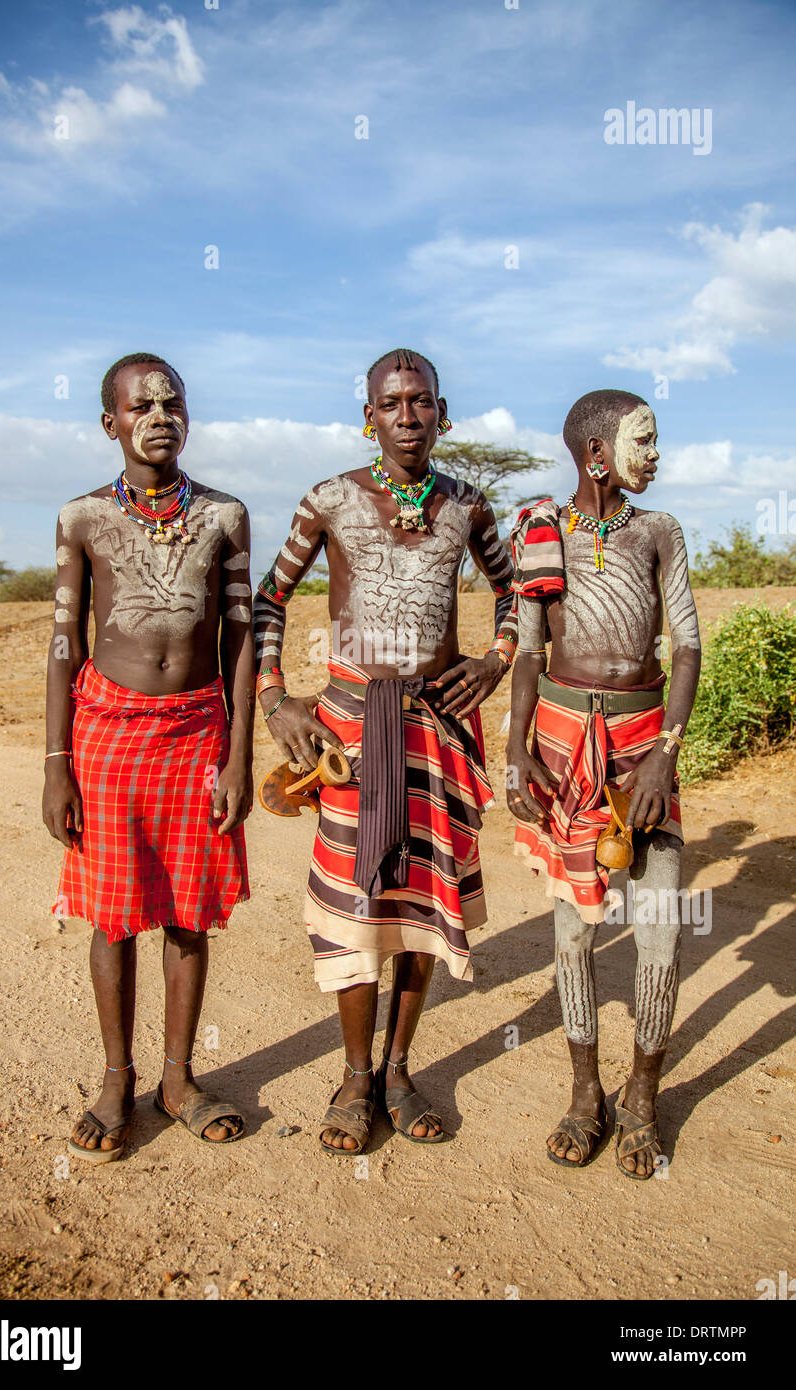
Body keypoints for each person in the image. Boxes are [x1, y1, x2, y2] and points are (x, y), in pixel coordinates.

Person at [253, 348, 517, 1156]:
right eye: (392, 404)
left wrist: (494, 659)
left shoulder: (468, 505)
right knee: (357, 906)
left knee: (422, 909)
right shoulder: (330, 499)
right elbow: (268, 598)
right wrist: (273, 697)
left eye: (422, 402)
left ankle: (401, 1071)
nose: (408, 417)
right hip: (351, 726)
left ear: (443, 412)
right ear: (368, 415)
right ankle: (355, 1076)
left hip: (438, 727)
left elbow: (515, 594)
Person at [43, 353, 254, 1163]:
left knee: (188, 911)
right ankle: (114, 1077)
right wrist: (56, 763)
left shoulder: (226, 515)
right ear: (112, 424)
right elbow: (63, 645)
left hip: (198, 731)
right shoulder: (82, 518)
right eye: (141, 406)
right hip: (107, 733)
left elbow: (238, 640)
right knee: (114, 914)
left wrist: (237, 756)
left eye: (173, 402)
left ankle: (177, 1078)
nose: (159, 415)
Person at [506, 389, 701, 1178]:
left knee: (658, 931)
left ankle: (644, 1097)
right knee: (575, 928)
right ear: (596, 455)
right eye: (643, 442)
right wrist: (514, 747)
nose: (655, 455)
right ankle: (586, 1093)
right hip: (561, 746)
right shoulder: (540, 529)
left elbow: (685, 646)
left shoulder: (660, 532)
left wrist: (666, 752)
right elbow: (526, 650)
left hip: (643, 742)